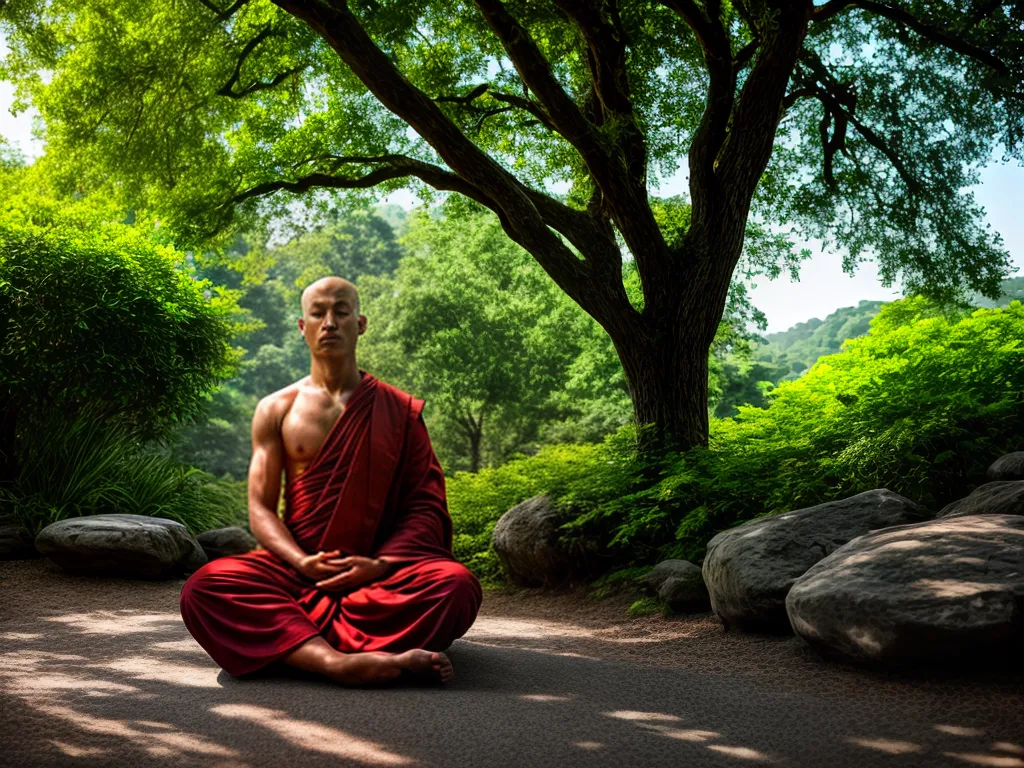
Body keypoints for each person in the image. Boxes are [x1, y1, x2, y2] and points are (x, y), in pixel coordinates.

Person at [180, 276, 482, 686]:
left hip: (375, 572)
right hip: (297, 568)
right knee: (204, 587)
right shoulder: (276, 409)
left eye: (341, 312)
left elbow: (424, 507)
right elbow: (261, 508)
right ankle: (336, 661)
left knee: (456, 586)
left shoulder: (398, 410)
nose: (330, 323)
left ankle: (293, 646)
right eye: (318, 313)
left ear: (360, 324)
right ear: (302, 327)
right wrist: (301, 561)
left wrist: (379, 564)